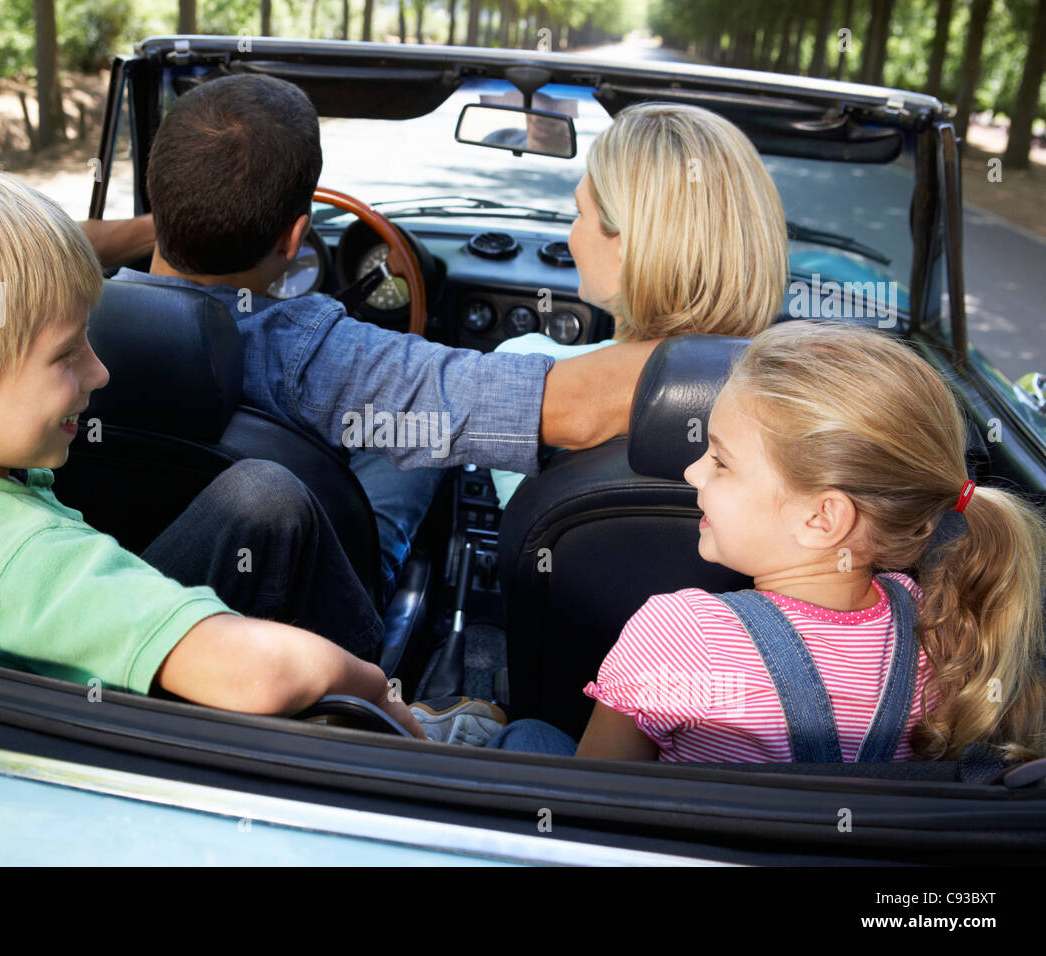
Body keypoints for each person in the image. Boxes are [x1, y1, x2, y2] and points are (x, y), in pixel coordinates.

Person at [0, 145, 426, 737]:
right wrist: (378, 692)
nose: (100, 372)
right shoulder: (18, 558)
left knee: (264, 495)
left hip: (37, 697)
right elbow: (262, 673)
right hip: (132, 743)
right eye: (66, 355)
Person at [107, 73, 661, 610]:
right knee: (415, 446)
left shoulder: (70, 322)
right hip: (304, 614)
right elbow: (577, 407)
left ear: (159, 195)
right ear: (297, 237)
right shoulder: (324, 358)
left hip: (133, 586)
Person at [490, 323, 1046, 765]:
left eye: (721, 461)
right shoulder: (945, 628)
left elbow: (592, 809)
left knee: (529, 735)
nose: (691, 473)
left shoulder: (677, 634)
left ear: (822, 518)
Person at [491, 101, 788, 509]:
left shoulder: (530, 367)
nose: (570, 235)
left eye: (580, 212)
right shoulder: (798, 396)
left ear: (629, 248)